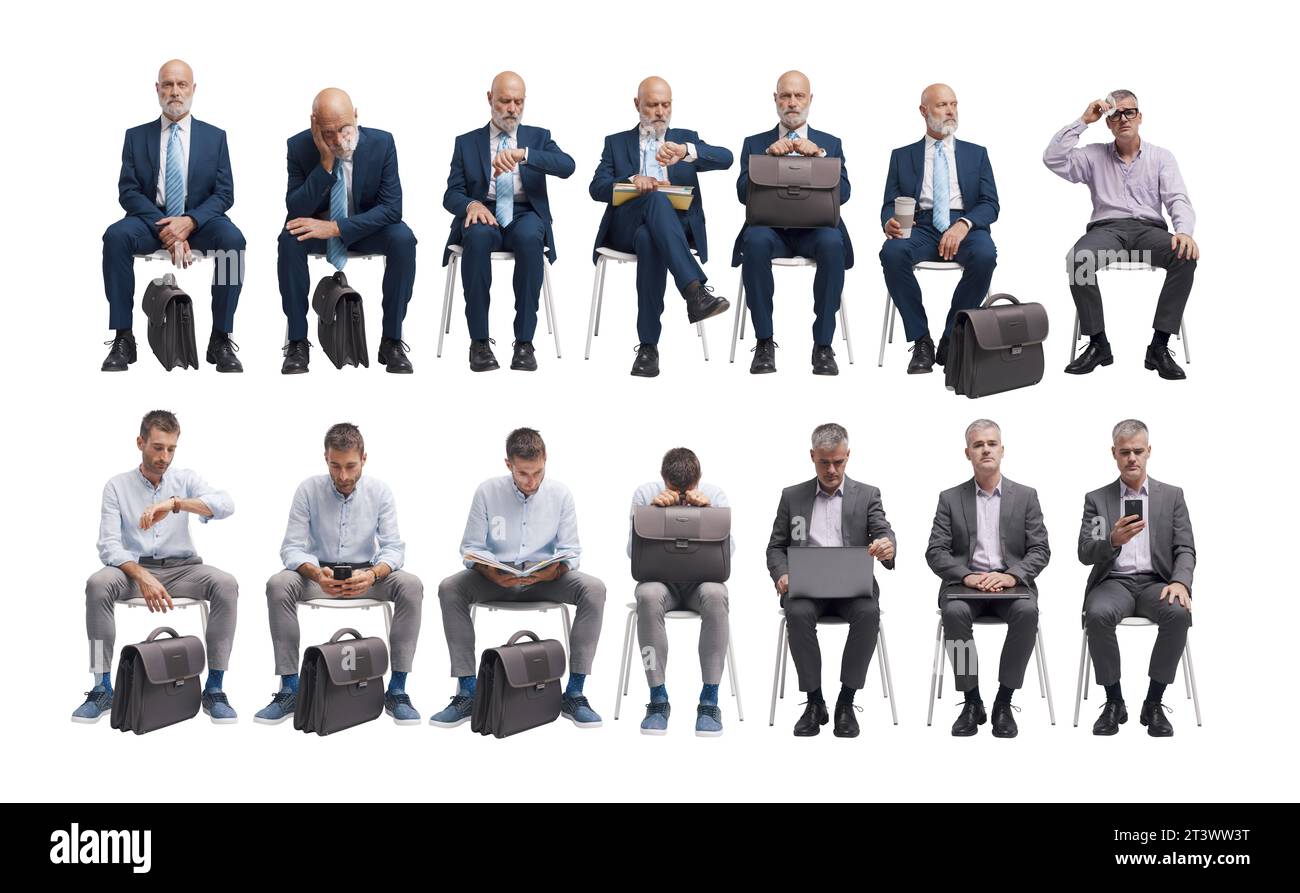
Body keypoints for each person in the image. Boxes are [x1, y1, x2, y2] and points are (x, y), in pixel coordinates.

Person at [434, 428, 607, 729]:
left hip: (546, 578)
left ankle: (575, 693)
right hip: (495, 578)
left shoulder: (561, 494)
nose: (531, 481)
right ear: (508, 464)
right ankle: (468, 693)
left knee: (594, 589)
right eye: (523, 473)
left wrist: (554, 571)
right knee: (450, 588)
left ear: (546, 460)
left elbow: (571, 551)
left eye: (538, 472)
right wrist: (491, 571)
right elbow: (471, 547)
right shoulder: (487, 491)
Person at [75, 410, 239, 723]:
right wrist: (141, 575)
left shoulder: (185, 479)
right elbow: (109, 545)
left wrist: (175, 503)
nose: (164, 457)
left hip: (182, 570)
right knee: (97, 584)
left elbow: (225, 504)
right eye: (158, 447)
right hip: (131, 571)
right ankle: (100, 686)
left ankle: (215, 688)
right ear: (140, 443)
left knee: (226, 584)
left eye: (171, 449)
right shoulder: (117, 486)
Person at [256, 423, 424, 725]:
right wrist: (317, 574)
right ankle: (291, 688)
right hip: (318, 575)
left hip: (367, 576)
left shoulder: (380, 492)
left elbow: (393, 549)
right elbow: (291, 548)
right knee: (278, 584)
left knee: (411, 585)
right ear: (325, 459)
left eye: (350, 466)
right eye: (335, 466)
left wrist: (373, 575)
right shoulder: (308, 489)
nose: (343, 476)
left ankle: (397, 690)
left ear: (364, 459)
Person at [101, 59, 246, 373]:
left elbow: (224, 194)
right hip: (150, 221)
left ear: (193, 89)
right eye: (167, 84)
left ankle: (221, 336)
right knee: (115, 236)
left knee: (234, 242)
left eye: (182, 84)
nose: (175, 91)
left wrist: (189, 222)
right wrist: (168, 227)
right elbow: (128, 192)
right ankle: (123, 336)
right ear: (157, 90)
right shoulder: (136, 136)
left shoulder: (215, 137)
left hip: (200, 222)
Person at [1044, 91, 1198, 380]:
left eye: (1129, 112)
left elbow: (1178, 199)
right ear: (1108, 122)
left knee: (1185, 256)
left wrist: (1184, 232)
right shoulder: (1093, 155)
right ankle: (1098, 344)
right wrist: (1083, 120)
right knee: (1079, 260)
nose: (1123, 118)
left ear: (1139, 117)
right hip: (1107, 231)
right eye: (1115, 114)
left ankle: (1159, 346)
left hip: (1149, 232)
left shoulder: (1161, 157)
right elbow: (1052, 159)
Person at [590, 76, 733, 377]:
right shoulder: (616, 143)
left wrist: (686, 151)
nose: (659, 111)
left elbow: (727, 159)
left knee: (650, 237)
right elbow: (596, 188)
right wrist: (631, 180)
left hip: (671, 232)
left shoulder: (685, 139)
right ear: (637, 105)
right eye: (652, 105)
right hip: (624, 227)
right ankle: (695, 292)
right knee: (653, 201)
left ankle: (647, 348)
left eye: (665, 104)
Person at [766, 423, 895, 737]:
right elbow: (776, 546)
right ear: (812, 456)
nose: (832, 469)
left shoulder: (866, 495)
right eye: (824, 462)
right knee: (796, 614)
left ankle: (846, 701)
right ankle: (814, 701)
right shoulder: (792, 496)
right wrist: (782, 573)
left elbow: (883, 532)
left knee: (869, 614)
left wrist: (887, 546)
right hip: (806, 587)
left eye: (838, 461)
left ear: (848, 456)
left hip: (854, 588)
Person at [278, 88, 418, 374]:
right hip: (317, 229)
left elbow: (392, 209)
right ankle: (297, 342)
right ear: (314, 125)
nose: (340, 139)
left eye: (345, 129)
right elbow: (295, 208)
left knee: (403, 238)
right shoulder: (299, 146)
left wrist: (337, 227)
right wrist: (326, 163)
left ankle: (391, 340)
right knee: (289, 240)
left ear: (355, 116)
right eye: (329, 133)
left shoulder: (382, 143)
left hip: (364, 229)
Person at [444, 71, 576, 372]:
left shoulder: (538, 138)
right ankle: (479, 343)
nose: (512, 108)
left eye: (518, 102)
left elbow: (568, 166)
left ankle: (524, 343)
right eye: (505, 101)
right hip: (483, 211)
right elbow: (451, 194)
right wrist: (471, 204)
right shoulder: (466, 143)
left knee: (531, 239)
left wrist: (525, 155)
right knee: (475, 238)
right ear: (490, 99)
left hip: (525, 213)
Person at [925, 420, 1050, 737]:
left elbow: (1040, 549)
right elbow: (936, 551)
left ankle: (1004, 702)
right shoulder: (950, 498)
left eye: (991, 443)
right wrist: (967, 577)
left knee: (1028, 612)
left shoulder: (1026, 496)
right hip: (964, 589)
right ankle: (971, 700)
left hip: (1012, 587)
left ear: (1002, 450)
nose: (985, 449)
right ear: (968, 453)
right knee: (953, 614)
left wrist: (1012, 576)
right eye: (978, 445)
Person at [1079, 419, 1195, 736]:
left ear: (1149, 452)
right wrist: (1112, 541)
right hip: (1113, 583)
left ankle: (1153, 703)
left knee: (1178, 613)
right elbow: (1086, 551)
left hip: (1157, 583)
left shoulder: (1171, 496)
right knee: (1099, 614)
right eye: (1125, 452)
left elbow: (1185, 548)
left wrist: (1180, 582)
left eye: (1138, 451)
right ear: (1114, 454)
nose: (1132, 458)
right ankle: (1114, 702)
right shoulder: (1100, 500)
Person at [734, 71, 852, 375]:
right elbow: (741, 194)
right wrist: (767, 156)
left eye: (799, 96)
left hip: (816, 230)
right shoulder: (754, 142)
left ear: (810, 100)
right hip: (769, 229)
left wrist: (821, 157)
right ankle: (764, 342)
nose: (792, 102)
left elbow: (845, 194)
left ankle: (823, 345)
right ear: (775, 99)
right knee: (755, 242)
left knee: (831, 242)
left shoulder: (831, 143)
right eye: (785, 95)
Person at [879, 84, 999, 374]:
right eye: (942, 105)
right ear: (924, 111)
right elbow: (888, 204)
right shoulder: (901, 155)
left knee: (985, 255)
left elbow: (990, 204)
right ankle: (921, 340)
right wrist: (888, 221)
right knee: (892, 253)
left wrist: (963, 224)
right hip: (919, 226)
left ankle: (952, 336)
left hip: (964, 225)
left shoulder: (977, 154)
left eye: (954, 104)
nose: (950, 111)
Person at [627, 448, 735, 736]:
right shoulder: (644, 495)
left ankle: (710, 698)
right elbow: (632, 554)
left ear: (699, 479)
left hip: (702, 584)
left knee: (716, 594)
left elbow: (729, 555)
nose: (684, 497)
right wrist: (652, 513)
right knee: (647, 596)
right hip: (662, 584)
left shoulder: (716, 496)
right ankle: (657, 697)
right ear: (663, 480)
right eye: (676, 491)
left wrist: (708, 512)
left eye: (689, 490)